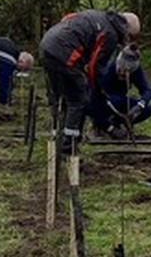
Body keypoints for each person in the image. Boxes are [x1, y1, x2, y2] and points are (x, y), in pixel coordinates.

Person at [39, 9, 141, 156]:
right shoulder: (110, 34)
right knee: (79, 99)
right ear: (127, 30)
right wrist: (99, 89)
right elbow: (96, 66)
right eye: (131, 36)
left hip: (47, 44)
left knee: (59, 95)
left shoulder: (97, 15)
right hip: (66, 53)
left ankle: (58, 135)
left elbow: (68, 19)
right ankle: (70, 144)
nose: (128, 40)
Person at [87, 44, 151, 140]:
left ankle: (117, 122)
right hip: (103, 102)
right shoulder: (106, 71)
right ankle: (100, 126)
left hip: (120, 101)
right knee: (111, 102)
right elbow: (90, 103)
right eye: (121, 71)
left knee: (147, 110)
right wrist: (109, 128)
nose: (123, 74)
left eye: (128, 72)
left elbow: (147, 90)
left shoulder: (136, 70)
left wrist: (140, 105)